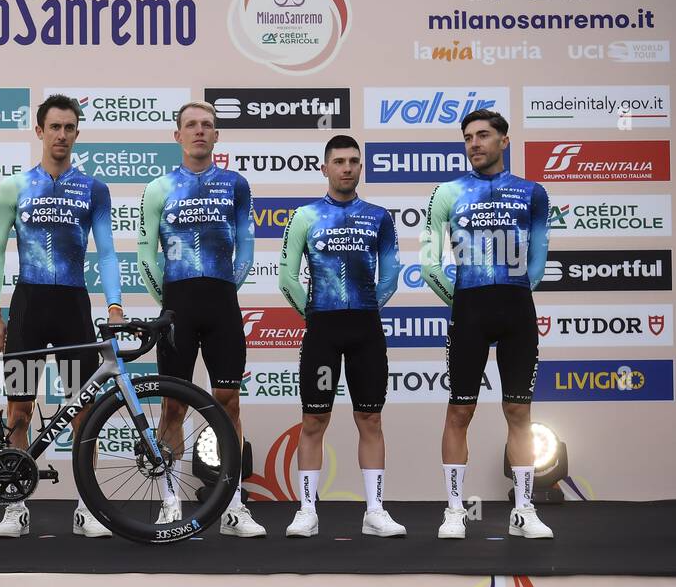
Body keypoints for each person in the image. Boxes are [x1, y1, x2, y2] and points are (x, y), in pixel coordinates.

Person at [0, 94, 124, 538]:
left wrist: (115, 304)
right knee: (18, 411)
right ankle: (14, 508)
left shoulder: (94, 189)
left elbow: (106, 253)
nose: (62, 135)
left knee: (85, 413)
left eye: (69, 127)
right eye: (55, 127)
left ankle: (88, 508)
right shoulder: (15, 187)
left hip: (73, 305)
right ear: (39, 130)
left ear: (77, 133)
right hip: (28, 304)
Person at [421, 108, 553, 539]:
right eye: (468, 137)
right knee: (460, 410)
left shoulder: (532, 193)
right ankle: (455, 510)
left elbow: (537, 260)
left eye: (483, 135)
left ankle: (524, 508)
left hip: (516, 309)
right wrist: (461, 299)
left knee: (519, 411)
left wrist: (516, 291)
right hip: (470, 310)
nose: (474, 144)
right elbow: (429, 263)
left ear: (504, 141)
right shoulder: (448, 192)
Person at [137, 100, 265, 537]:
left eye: (207, 126)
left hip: (222, 303)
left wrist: (229, 283)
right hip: (178, 306)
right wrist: (167, 298)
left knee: (228, 402)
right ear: (177, 135)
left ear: (217, 136)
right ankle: (170, 500)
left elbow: (246, 245)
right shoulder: (159, 187)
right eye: (190, 125)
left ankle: (233, 503)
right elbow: (144, 252)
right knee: (172, 404)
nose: (199, 132)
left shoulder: (235, 184)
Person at [278, 135, 406, 538]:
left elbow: (390, 275)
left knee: (370, 418)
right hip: (323, 332)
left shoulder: (380, 217)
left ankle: (375, 511)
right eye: (339, 161)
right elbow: (287, 278)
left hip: (366, 329)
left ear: (360, 167)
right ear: (325, 168)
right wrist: (315, 314)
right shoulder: (304, 216)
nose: (347, 167)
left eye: (353, 161)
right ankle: (307, 512)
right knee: (313, 420)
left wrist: (367, 306)